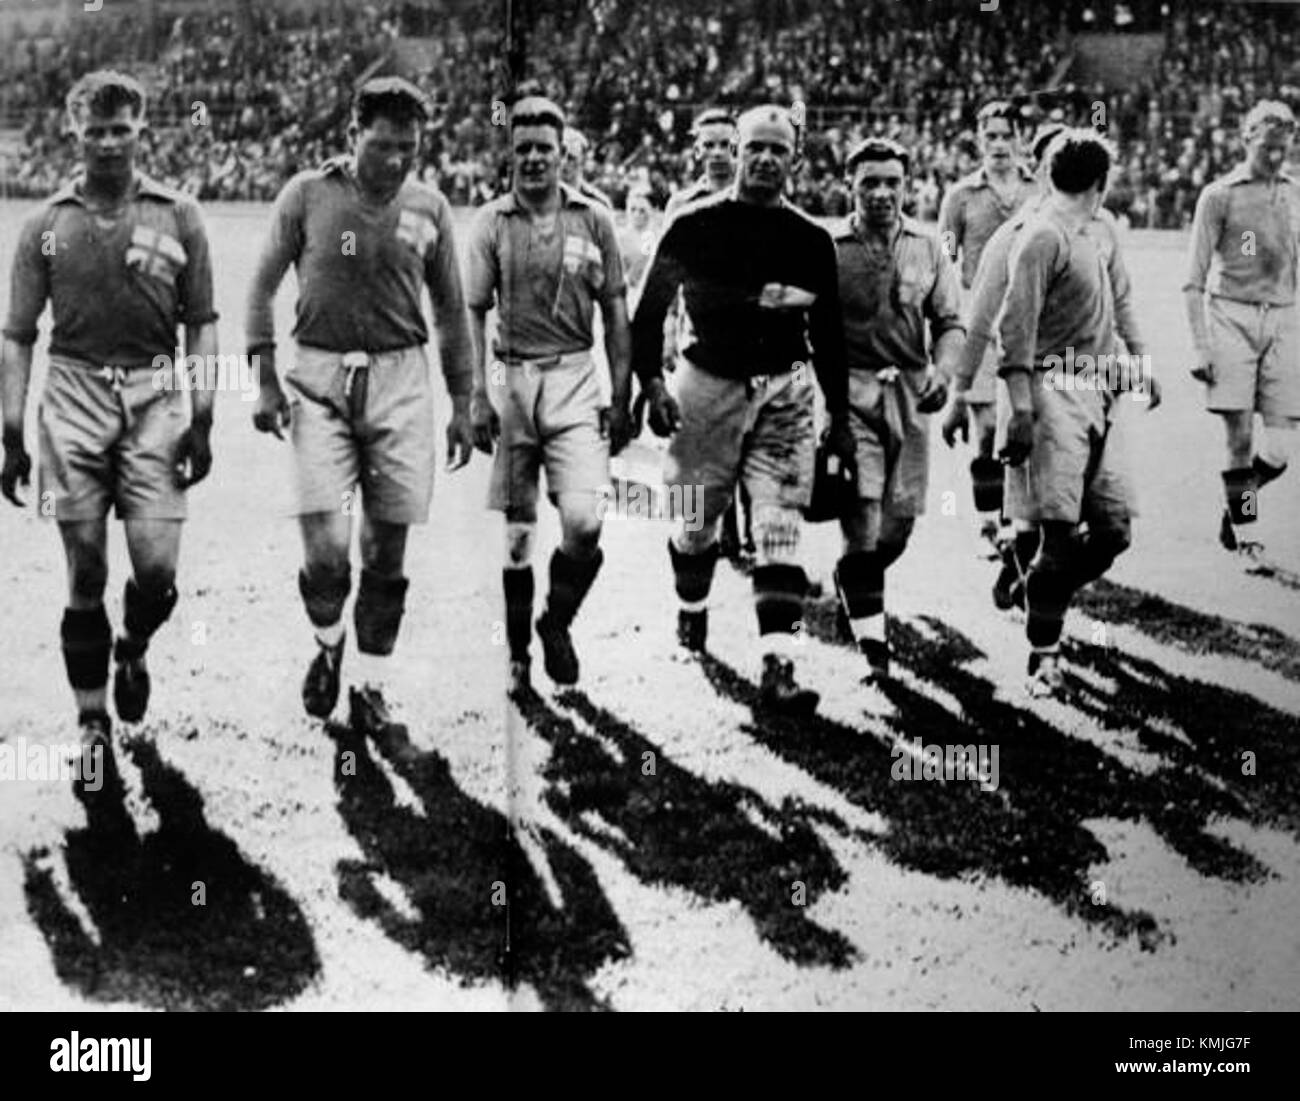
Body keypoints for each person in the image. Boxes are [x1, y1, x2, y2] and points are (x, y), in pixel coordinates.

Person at [1, 70, 217, 803]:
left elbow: (203, 322)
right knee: (85, 568)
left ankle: (133, 647)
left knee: (155, 574)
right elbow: (18, 335)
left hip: (156, 396)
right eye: (95, 130)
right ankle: (92, 725)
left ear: (140, 129)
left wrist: (205, 411)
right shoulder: (45, 225)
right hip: (73, 394)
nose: (108, 143)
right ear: (73, 133)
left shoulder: (179, 214)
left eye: (121, 128)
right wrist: (9, 429)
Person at [245, 76, 476, 737]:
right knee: (325, 551)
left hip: (400, 380)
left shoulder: (430, 206)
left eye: (408, 147)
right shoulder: (308, 194)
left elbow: (453, 310)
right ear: (351, 137)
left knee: (386, 552)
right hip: (317, 377)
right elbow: (258, 289)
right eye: (381, 145)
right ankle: (327, 643)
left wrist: (463, 399)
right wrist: (262, 381)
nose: (396, 159)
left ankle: (371, 686)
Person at [630, 104, 854, 715]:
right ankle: (692, 609)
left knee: (778, 524)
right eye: (754, 147)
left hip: (784, 389)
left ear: (797, 161)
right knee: (696, 521)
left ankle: (778, 665)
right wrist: (651, 384)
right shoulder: (693, 224)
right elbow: (647, 314)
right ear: (736, 149)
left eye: (778, 150)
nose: (763, 159)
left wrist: (837, 411)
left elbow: (829, 332)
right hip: (706, 385)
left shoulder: (810, 240)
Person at [464, 97, 632, 695]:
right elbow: (473, 312)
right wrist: (477, 395)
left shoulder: (593, 220)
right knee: (517, 533)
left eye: (545, 149)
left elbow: (615, 309)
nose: (534, 158)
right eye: (523, 149)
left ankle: (554, 621)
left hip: (574, 378)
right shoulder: (492, 222)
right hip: (513, 378)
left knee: (584, 524)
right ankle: (516, 659)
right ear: (509, 155)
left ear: (564, 156)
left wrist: (622, 388)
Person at [999, 129, 1145, 696]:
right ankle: (1044, 657)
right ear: (1102, 184)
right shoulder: (1042, 236)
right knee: (1058, 538)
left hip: (1100, 391)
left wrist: (1137, 364)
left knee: (1113, 531)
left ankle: (1034, 587)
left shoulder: (1097, 233)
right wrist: (1018, 408)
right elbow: (1016, 330)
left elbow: (1115, 306)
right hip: (1051, 393)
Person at [830, 138, 965, 683]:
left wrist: (944, 372)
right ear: (850, 187)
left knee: (897, 527)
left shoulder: (927, 247)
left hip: (910, 394)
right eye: (870, 183)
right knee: (861, 517)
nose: (882, 193)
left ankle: (853, 585)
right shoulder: (829, 246)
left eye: (892, 182)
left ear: (907, 187)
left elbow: (951, 322)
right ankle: (874, 651)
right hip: (848, 392)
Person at [1184, 100, 1298, 559]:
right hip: (1231, 316)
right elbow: (1192, 281)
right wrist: (1201, 347)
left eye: (1283, 148)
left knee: (1279, 450)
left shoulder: (1294, 193)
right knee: (1239, 438)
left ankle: (1235, 506)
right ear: (1247, 140)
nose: (1275, 156)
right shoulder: (1220, 195)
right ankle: (1247, 535)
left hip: (1284, 318)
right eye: (1266, 147)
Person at [938, 101, 1037, 555]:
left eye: (1006, 135)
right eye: (990, 136)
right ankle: (987, 520)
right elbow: (945, 260)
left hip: (1032, 322)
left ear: (1021, 138)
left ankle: (1020, 519)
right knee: (985, 426)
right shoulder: (960, 196)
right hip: (980, 322)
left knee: (1024, 420)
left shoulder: (1040, 190)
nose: (998, 145)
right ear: (978, 141)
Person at [560, 127, 614, 210]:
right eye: (561, 156)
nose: (564, 162)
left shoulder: (598, 203)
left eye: (571, 158)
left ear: (583, 161)